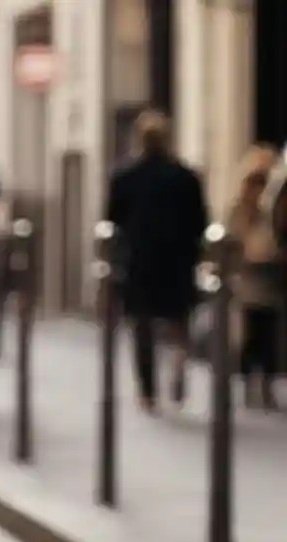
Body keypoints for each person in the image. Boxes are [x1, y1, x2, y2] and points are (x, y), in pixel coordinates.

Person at [107, 110, 209, 412]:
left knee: (142, 327)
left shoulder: (124, 177)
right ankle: (178, 362)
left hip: (139, 261)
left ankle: (147, 391)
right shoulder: (186, 177)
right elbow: (200, 221)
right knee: (179, 320)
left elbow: (112, 221)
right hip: (177, 260)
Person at [226, 145, 285, 409]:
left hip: (270, 275)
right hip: (248, 278)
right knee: (250, 334)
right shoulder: (240, 209)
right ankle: (250, 382)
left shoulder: (274, 207)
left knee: (269, 333)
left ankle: (266, 384)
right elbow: (232, 239)